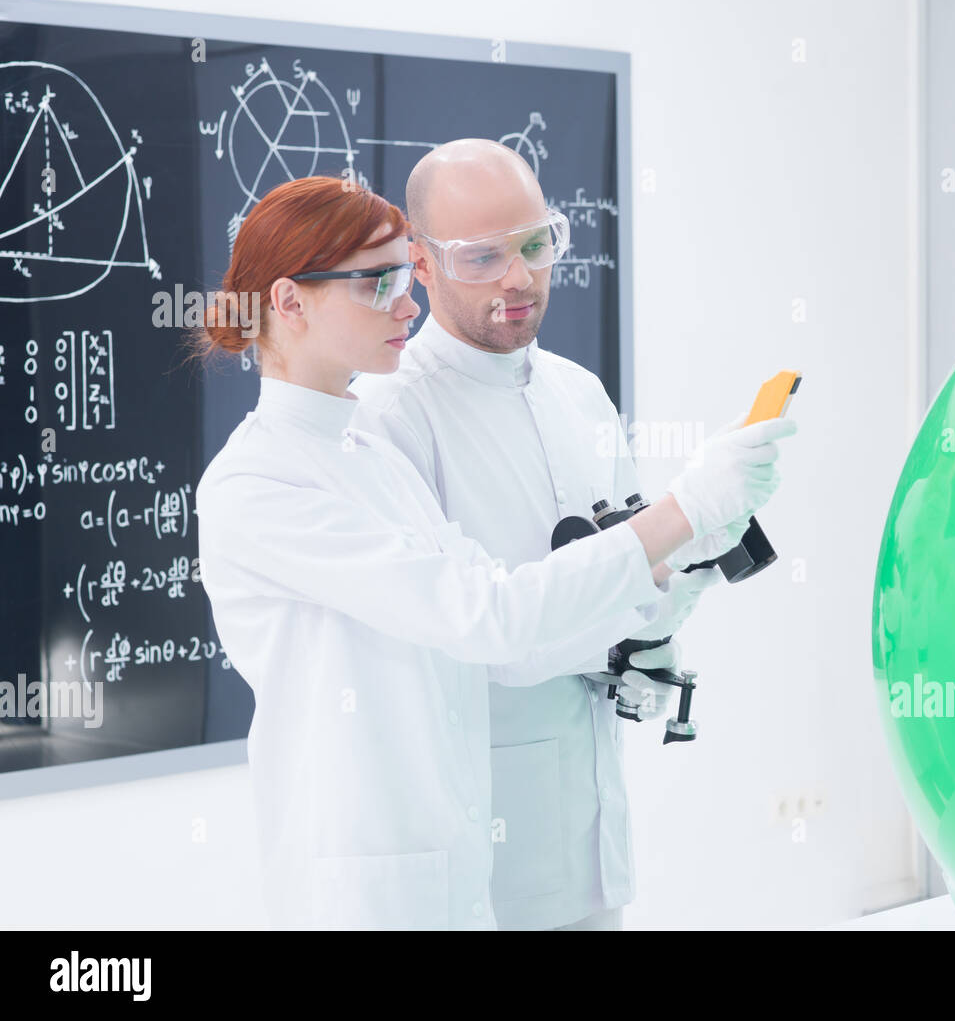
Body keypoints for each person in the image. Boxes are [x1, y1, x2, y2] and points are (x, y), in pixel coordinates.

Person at [191, 175, 794, 930]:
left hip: (458, 873)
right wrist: (684, 510)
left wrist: (690, 547)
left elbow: (506, 595)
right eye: (380, 284)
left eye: (402, 279)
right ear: (288, 301)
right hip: (365, 890)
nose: (408, 304)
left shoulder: (364, 457)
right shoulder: (259, 482)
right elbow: (491, 617)